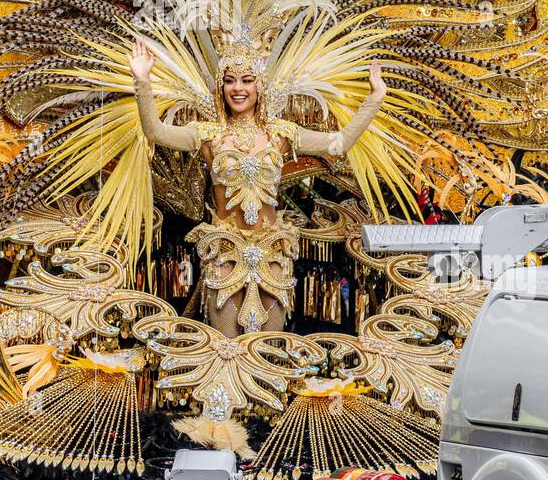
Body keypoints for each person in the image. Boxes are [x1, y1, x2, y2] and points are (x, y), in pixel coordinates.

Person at [131, 38, 386, 336]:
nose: (238, 88)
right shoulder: (208, 135)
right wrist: (142, 80)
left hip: (272, 252)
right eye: (230, 81)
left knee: (267, 348)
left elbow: (340, 143)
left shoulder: (281, 134)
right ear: (220, 87)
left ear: (259, 86)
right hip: (226, 251)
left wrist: (375, 98)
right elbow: (155, 131)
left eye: (246, 80)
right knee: (227, 348)